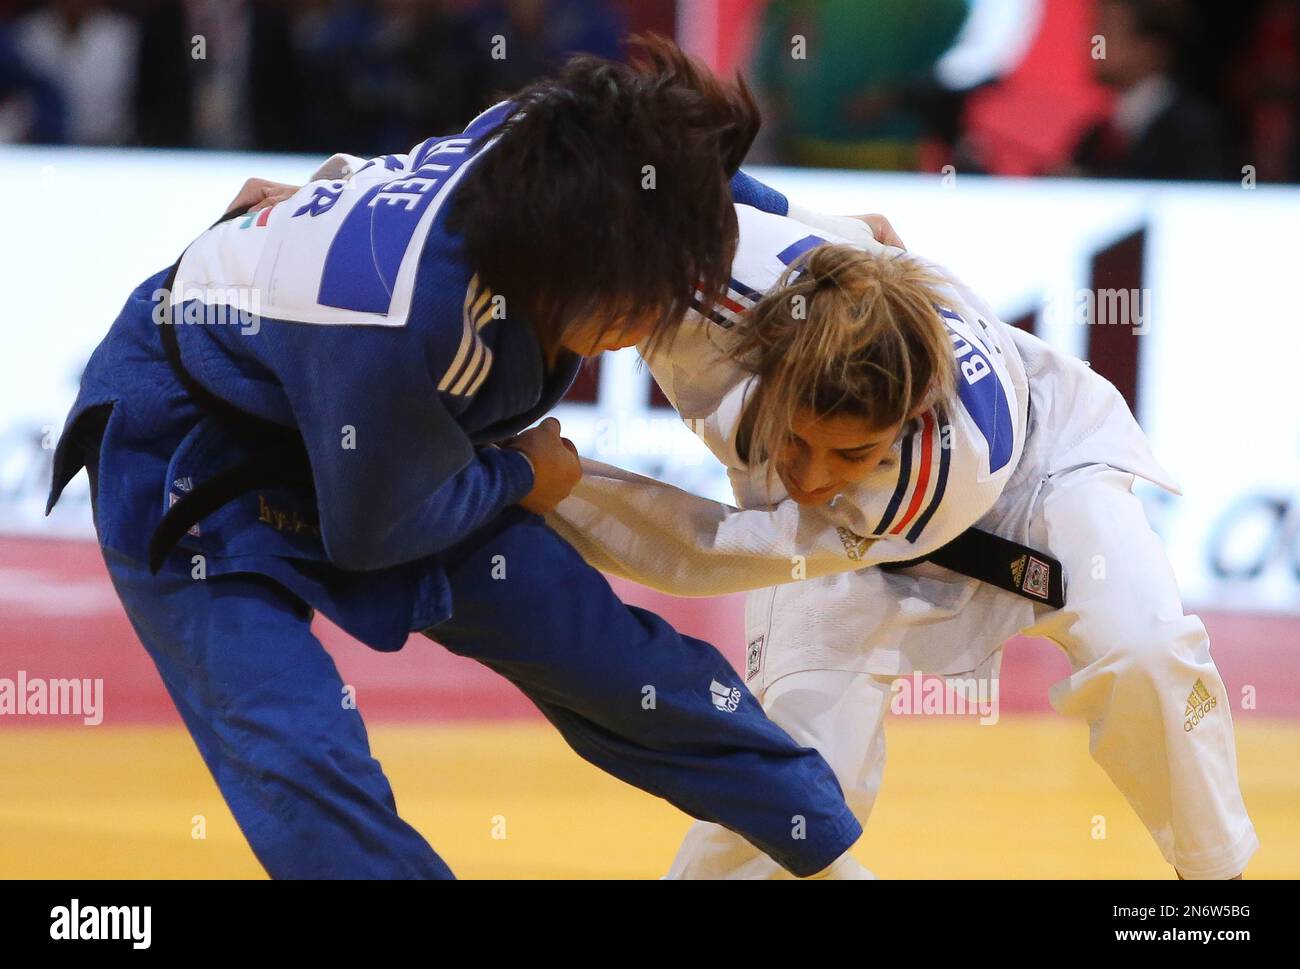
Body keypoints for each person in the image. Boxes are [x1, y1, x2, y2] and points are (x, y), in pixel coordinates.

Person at [45, 39, 864, 879]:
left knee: (607, 652)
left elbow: (670, 161)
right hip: (188, 448)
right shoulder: (422, 324)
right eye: (639, 306)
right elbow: (371, 531)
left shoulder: (555, 153)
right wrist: (525, 477)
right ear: (563, 281)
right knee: (298, 750)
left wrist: (833, 242)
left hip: (348, 395)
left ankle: (833, 861)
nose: (650, 327)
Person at [551, 201, 1258, 879]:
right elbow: (700, 185)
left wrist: (556, 483)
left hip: (1038, 476)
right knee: (800, 765)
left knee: (1145, 650)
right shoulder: (731, 276)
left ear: (909, 417)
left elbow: (707, 548)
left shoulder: (926, 476)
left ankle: (1214, 895)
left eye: (846, 454)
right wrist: (837, 224)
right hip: (872, 517)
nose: (809, 477)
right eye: (793, 439)